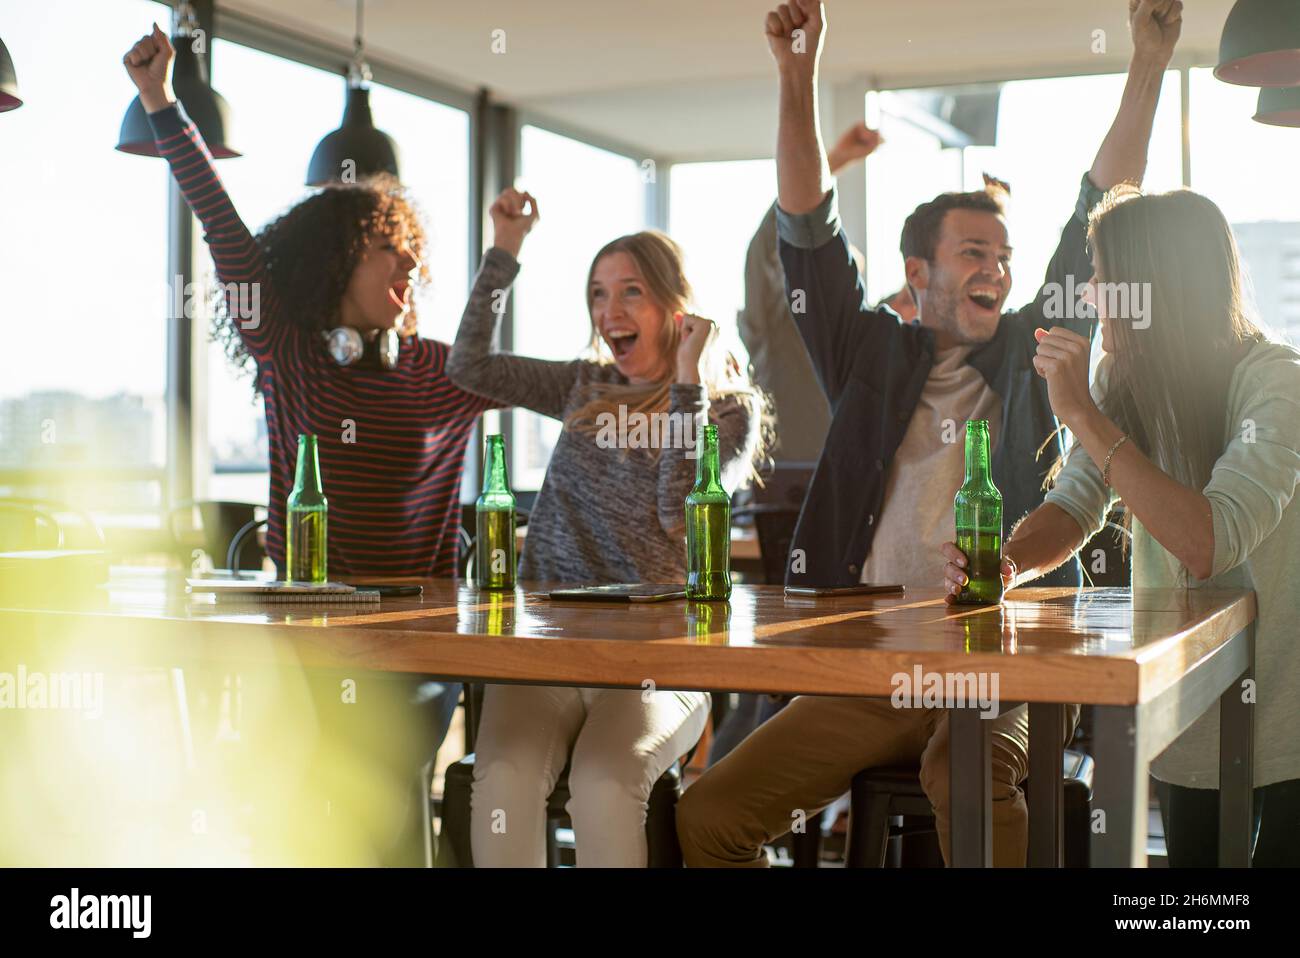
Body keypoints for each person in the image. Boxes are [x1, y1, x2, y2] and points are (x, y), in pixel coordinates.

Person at [676, 0, 1182, 867]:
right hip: (870, 665)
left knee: (964, 778)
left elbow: (1099, 206)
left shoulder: (1029, 353)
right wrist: (798, 73)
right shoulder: (867, 351)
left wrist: (1148, 61)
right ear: (921, 271)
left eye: (1003, 256)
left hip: (996, 665)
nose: (998, 269)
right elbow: (807, 228)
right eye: (974, 253)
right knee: (707, 816)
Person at [122, 24, 491, 864]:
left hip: (416, 646)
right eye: (384, 251)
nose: (407, 266)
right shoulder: (291, 351)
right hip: (307, 639)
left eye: (413, 255)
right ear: (332, 267)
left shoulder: (444, 370)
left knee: (368, 773)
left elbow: (557, 384)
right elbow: (221, 227)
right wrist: (162, 104)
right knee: (320, 784)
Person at [942, 184, 1300, 866]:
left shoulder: (1276, 382)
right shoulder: (1121, 379)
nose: (1092, 295)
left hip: (1290, 702)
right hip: (1192, 703)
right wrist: (1007, 563)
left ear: (1153, 285)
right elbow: (1077, 505)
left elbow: (1209, 542)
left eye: (1104, 278)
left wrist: (1080, 413)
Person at [446, 188, 763, 866]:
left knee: (605, 782)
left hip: (659, 664)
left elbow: (680, 515)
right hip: (547, 652)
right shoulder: (581, 386)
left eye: (630, 293)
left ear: (675, 309)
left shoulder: (728, 413)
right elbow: (466, 366)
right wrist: (504, 250)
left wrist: (686, 384)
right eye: (597, 294)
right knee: (501, 779)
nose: (608, 312)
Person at [737, 122, 882, 463]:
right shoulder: (776, 328)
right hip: (783, 480)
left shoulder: (860, 337)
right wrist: (836, 160)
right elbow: (781, 227)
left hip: (844, 475)